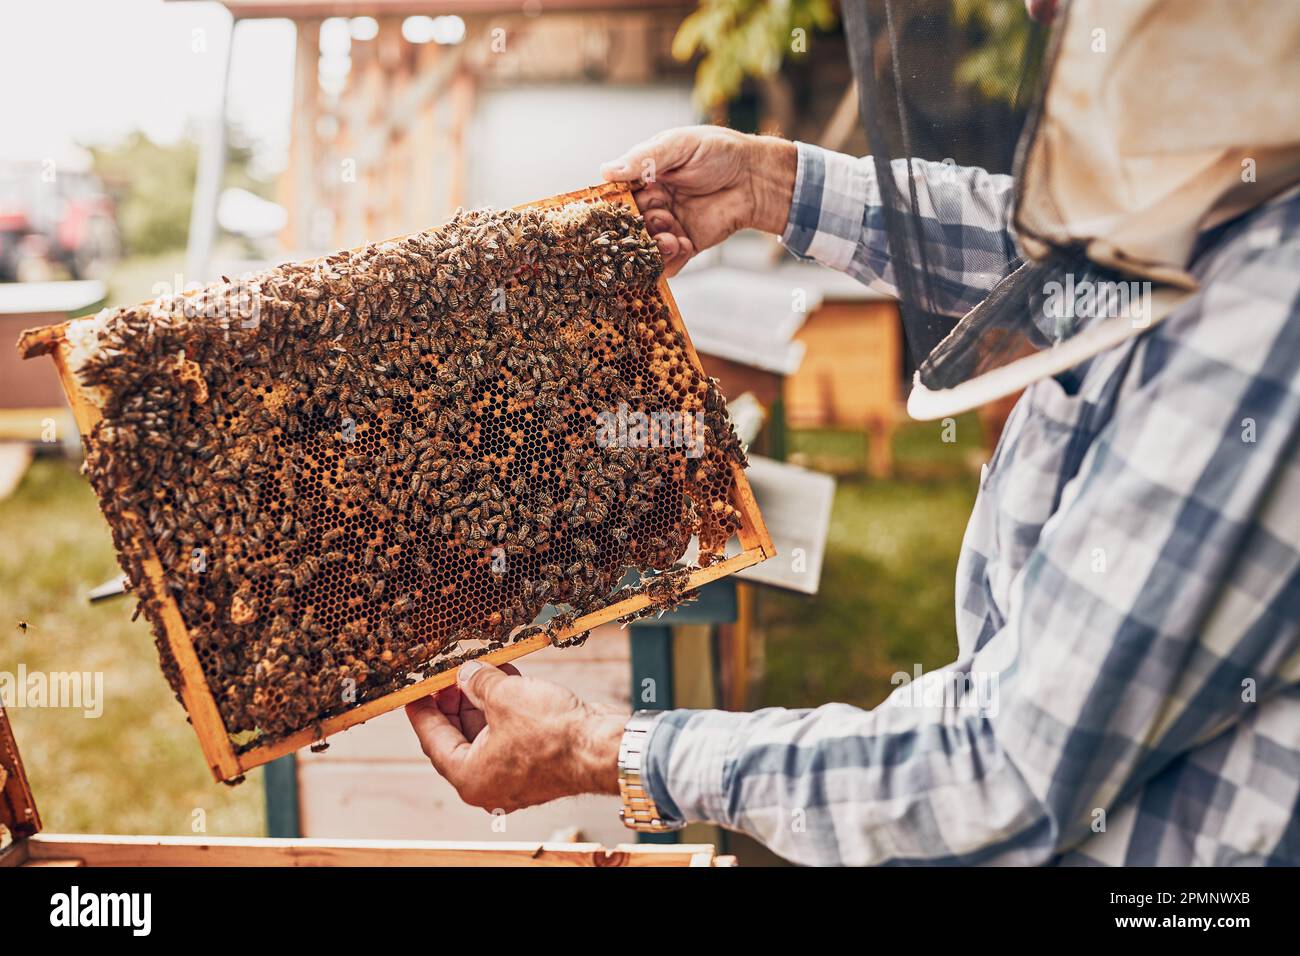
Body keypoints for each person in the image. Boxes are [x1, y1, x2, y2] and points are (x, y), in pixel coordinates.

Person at [405, 6, 1300, 865]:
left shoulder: (1265, 331)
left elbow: (996, 774)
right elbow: (1051, 256)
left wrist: (602, 749)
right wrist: (769, 184)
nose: (1036, 7)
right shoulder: (1234, 196)